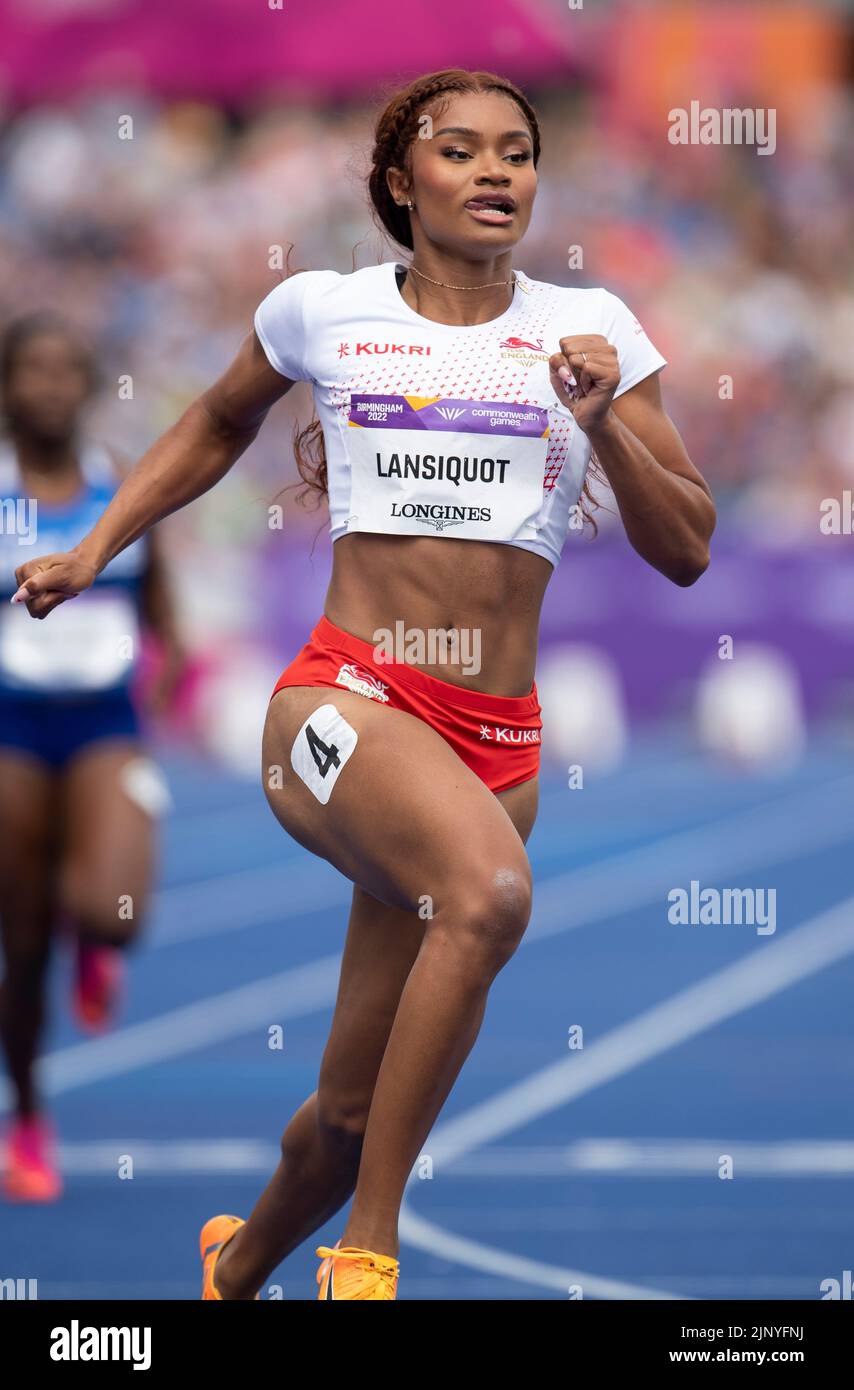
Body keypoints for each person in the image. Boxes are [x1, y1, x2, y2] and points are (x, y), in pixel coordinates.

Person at [12, 70, 714, 1294]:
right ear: (401, 181)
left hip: (496, 742)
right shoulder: (322, 309)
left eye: (517, 151)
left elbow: (687, 547)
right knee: (488, 894)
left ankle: (233, 1269)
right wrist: (93, 545)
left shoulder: (589, 328)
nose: (495, 172)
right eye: (460, 152)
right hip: (342, 704)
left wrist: (601, 423)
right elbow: (215, 425)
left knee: (341, 1115)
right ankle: (369, 1253)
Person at [0, 314, 179, 1202]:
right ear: (6, 386)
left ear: (87, 384)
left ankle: (95, 944)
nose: (48, 386)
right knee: (21, 942)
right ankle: (29, 1118)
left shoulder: (122, 486)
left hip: (107, 720)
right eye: (30, 370)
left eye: (66, 369)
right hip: (11, 726)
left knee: (113, 911)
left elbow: (165, 615)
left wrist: (163, 678)